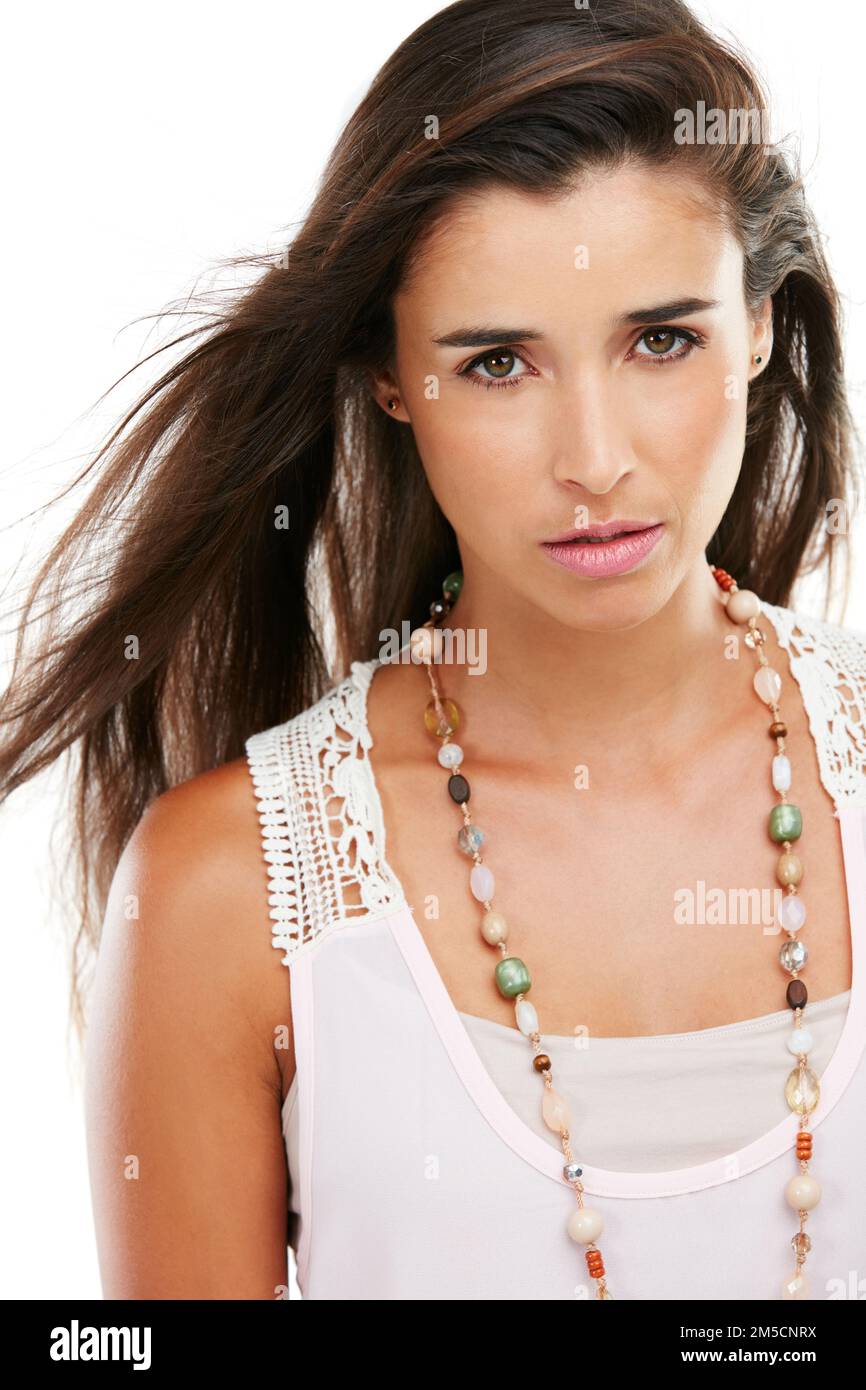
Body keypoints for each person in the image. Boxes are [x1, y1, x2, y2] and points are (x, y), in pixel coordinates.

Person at [2, 0, 865, 1301]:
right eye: (499, 362)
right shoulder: (227, 897)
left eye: (660, 338)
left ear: (755, 324)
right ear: (391, 375)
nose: (593, 459)